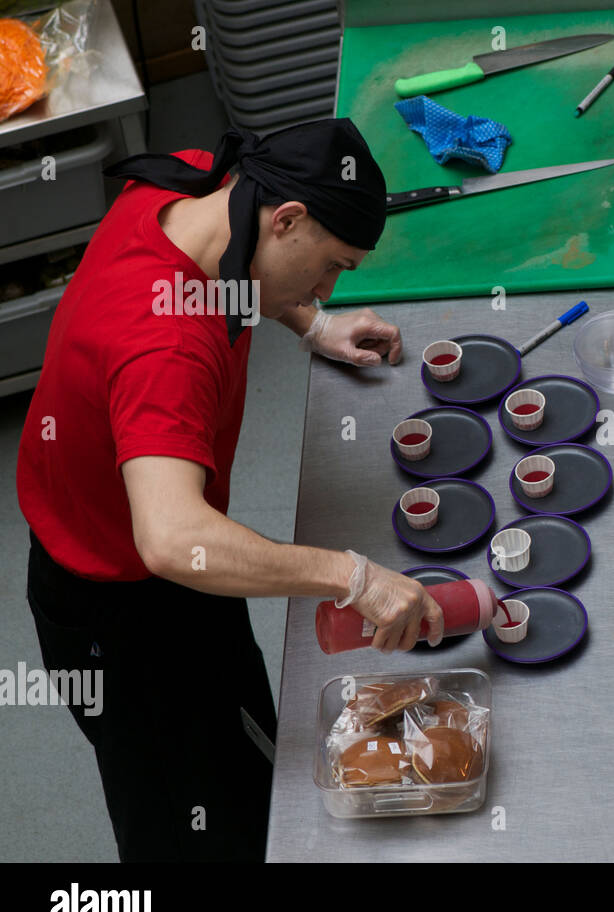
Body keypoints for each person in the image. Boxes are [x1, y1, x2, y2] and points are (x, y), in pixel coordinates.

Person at [16, 119, 441, 862]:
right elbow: (173, 537)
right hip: (121, 609)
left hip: (158, 563)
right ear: (287, 219)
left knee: (245, 764)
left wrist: (314, 324)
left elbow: (248, 270)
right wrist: (355, 577)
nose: (329, 285)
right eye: (332, 266)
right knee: (188, 829)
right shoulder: (166, 345)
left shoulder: (200, 184)